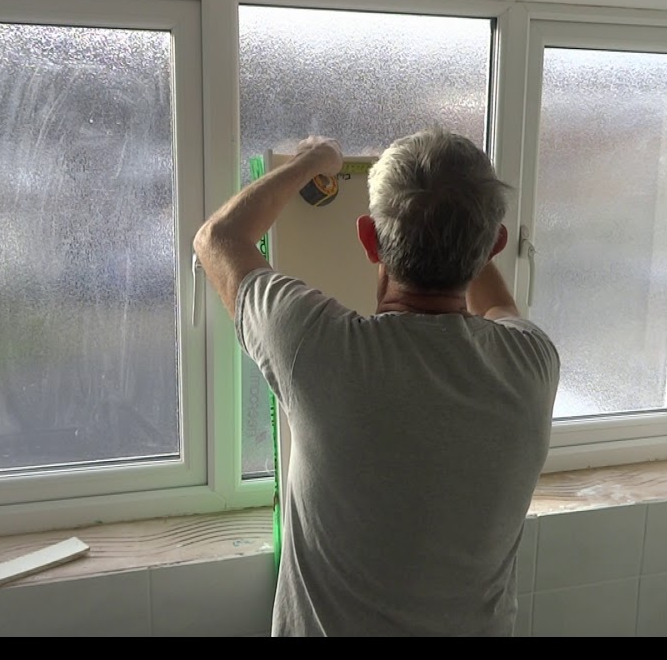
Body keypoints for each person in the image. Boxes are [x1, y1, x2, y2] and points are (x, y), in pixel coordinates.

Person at [193, 128, 560, 636]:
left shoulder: (317, 348)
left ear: (369, 239)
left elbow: (218, 240)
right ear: (494, 246)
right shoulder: (533, 365)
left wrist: (312, 162)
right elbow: (499, 308)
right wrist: (463, 229)